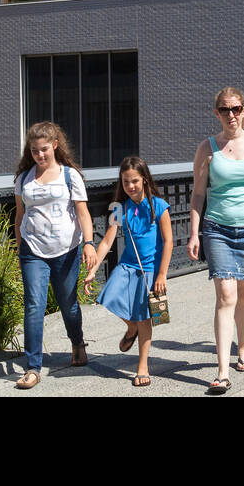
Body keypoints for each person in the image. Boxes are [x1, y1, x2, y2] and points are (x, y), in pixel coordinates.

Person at [188, 86, 244, 395]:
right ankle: (222, 371)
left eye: (236, 108)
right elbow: (198, 194)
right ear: (217, 113)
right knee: (226, 296)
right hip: (218, 229)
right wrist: (194, 232)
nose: (231, 115)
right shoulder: (207, 148)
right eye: (225, 110)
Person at [12, 121, 98, 390]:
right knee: (34, 305)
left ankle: (76, 342)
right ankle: (33, 367)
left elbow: (82, 212)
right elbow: (19, 215)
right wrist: (18, 248)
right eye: (35, 151)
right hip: (32, 249)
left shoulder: (70, 176)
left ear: (55, 146)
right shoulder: (24, 178)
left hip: (66, 249)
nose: (40, 155)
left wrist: (89, 243)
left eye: (45, 150)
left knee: (67, 302)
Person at [86, 156, 172, 388]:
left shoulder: (159, 206)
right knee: (107, 295)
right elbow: (107, 241)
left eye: (134, 180)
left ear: (144, 180)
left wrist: (162, 274)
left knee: (145, 318)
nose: (130, 186)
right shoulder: (118, 208)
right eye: (125, 182)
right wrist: (93, 269)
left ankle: (142, 366)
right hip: (127, 266)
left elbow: (168, 241)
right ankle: (130, 326)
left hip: (150, 270)